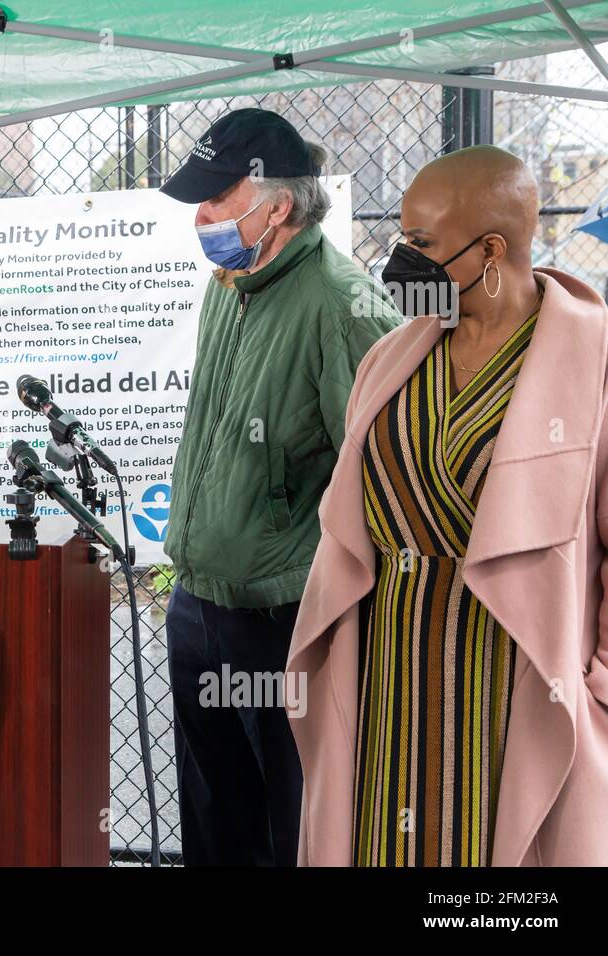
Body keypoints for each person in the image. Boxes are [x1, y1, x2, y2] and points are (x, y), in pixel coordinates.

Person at [288, 144, 608, 866]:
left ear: (491, 249)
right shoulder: (391, 357)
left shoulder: (596, 364)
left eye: (422, 242)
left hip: (517, 680)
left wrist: (598, 690)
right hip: (387, 673)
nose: (401, 258)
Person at [157, 108, 402, 866]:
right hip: (198, 603)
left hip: (282, 623)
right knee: (214, 821)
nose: (199, 216)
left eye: (214, 198)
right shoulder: (230, 280)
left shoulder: (340, 304)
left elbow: (387, 475)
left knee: (284, 830)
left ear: (278, 205)